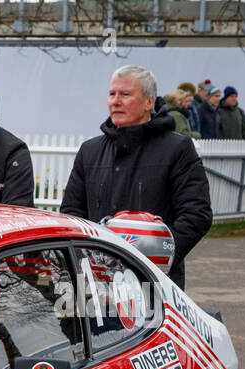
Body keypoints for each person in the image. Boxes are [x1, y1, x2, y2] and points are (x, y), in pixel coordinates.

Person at [61, 65, 212, 289]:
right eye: (112, 94)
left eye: (125, 94)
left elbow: (196, 214)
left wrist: (158, 259)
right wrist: (86, 260)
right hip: (96, 283)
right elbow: (72, 215)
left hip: (155, 284)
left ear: (149, 102)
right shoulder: (89, 151)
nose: (115, 101)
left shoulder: (177, 149)